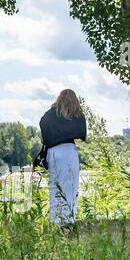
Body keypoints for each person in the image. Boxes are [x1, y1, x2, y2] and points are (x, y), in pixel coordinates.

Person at [39, 89, 86, 227]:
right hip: (68, 151)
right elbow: (83, 135)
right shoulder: (76, 114)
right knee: (70, 187)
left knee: (54, 187)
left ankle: (55, 221)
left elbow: (43, 135)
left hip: (52, 152)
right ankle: (68, 222)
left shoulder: (49, 115)